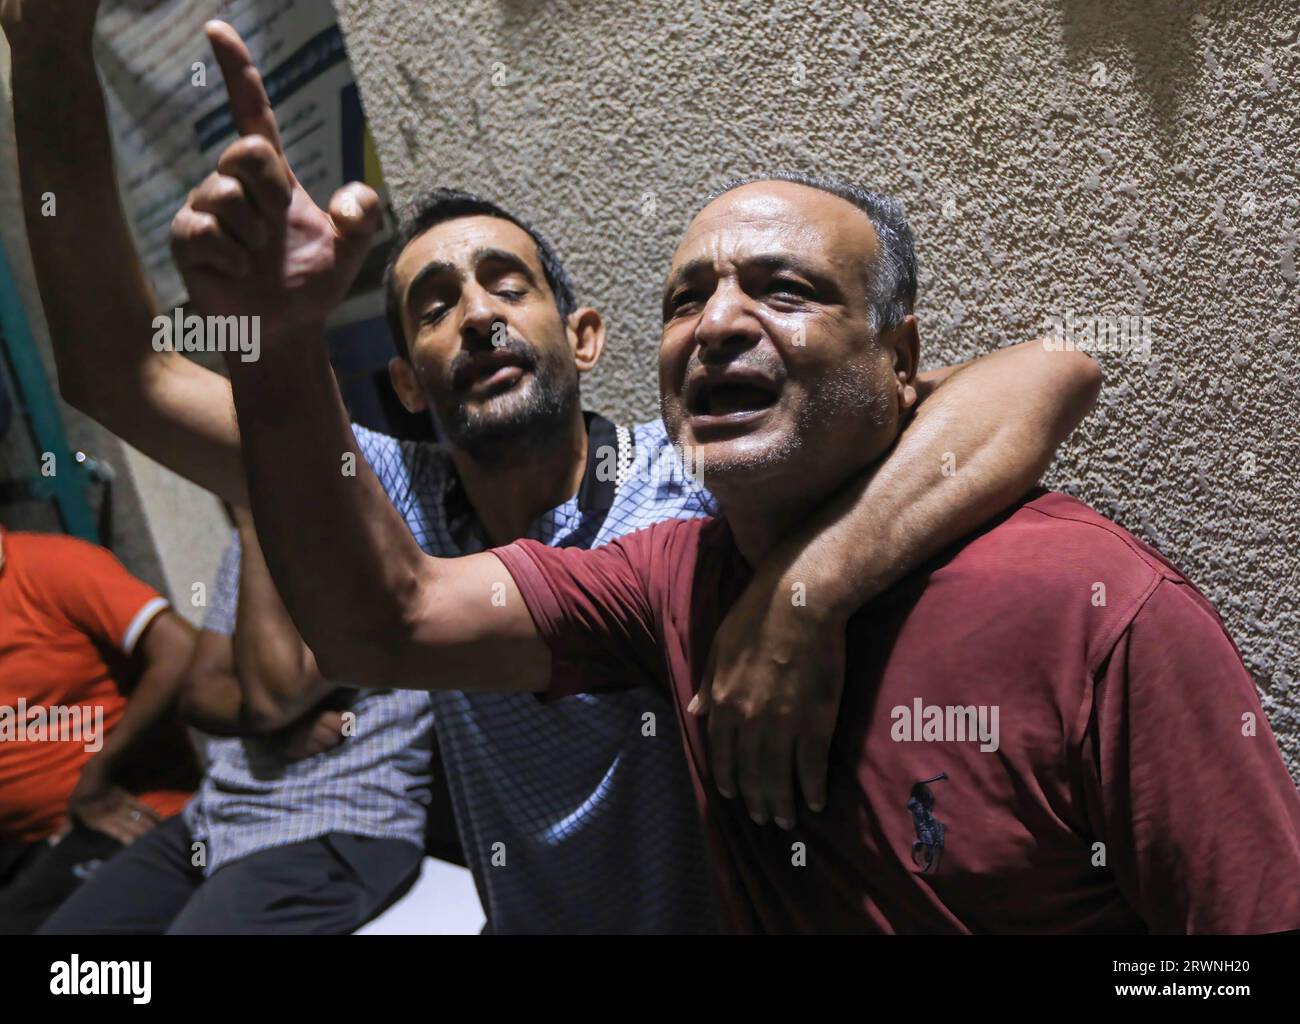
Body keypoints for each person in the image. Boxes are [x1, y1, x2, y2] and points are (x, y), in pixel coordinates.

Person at [8, 11, 1100, 931]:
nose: (476, 315)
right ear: (404, 382)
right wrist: (50, 51)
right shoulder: (390, 486)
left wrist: (798, 594)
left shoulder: (689, 485)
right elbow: (115, 371)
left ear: (582, 337)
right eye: (434, 305)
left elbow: (1044, 373)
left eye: (503, 283)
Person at [175, 46, 1300, 929]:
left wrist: (808, 591)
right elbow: (387, 622)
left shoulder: (1089, 611)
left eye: (784, 288)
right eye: (686, 298)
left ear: (903, 362)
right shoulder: (665, 581)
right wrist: (278, 343)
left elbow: (1059, 364)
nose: (717, 324)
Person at [39, 510, 432, 934]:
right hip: (216, 818)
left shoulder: (381, 535)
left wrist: (250, 518)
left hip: (335, 820)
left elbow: (274, 697)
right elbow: (199, 693)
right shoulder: (261, 531)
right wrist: (277, 724)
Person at [0, 524, 200, 933]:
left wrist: (99, 771)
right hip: (29, 843)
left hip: (125, 814)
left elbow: (181, 651)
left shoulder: (49, 568)